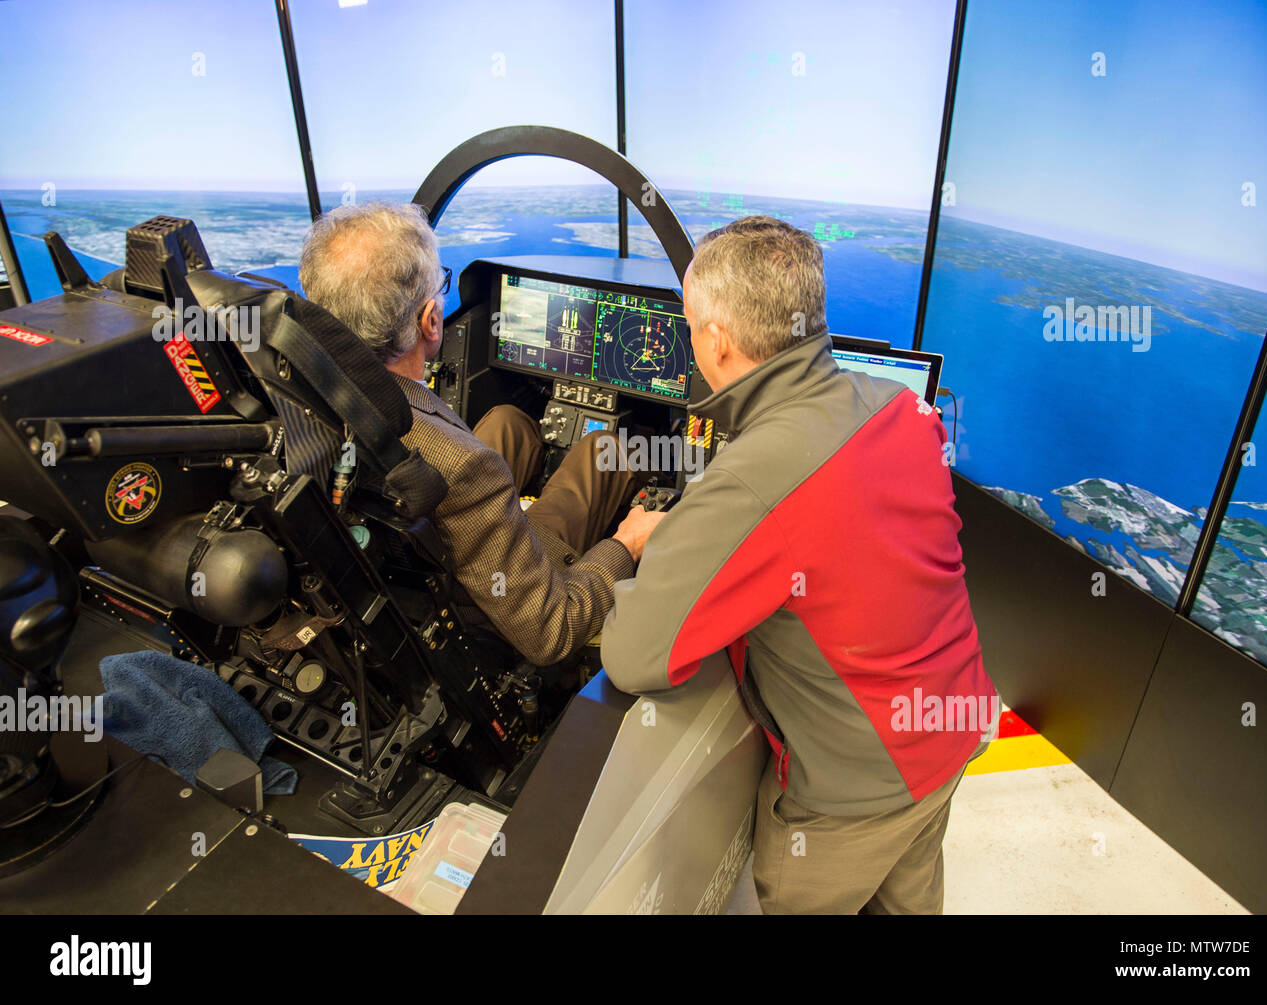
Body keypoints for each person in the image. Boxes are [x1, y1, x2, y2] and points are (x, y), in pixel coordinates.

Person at [600, 216, 998, 914]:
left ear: (717, 340)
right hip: (956, 722)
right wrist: (705, 533)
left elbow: (634, 655)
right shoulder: (901, 407)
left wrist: (655, 546)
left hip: (855, 793)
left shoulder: (749, 484)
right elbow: (853, 537)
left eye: (691, 324)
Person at [299, 201, 660, 666]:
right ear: (430, 321)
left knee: (509, 420)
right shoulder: (464, 465)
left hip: (406, 568)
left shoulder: (303, 397)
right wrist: (628, 543)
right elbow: (552, 629)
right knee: (606, 448)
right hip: (492, 609)